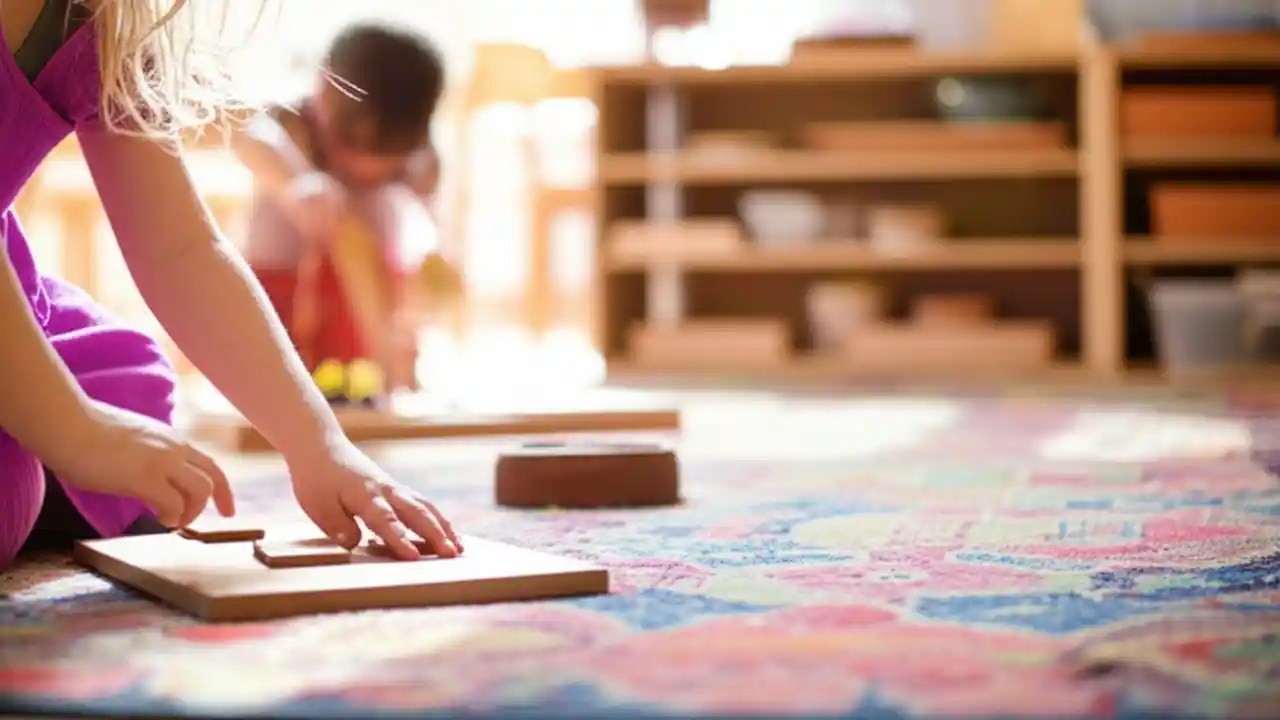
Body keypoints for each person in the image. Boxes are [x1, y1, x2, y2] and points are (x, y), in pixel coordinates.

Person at [0, 0, 461, 570]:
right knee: (17, 490)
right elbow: (256, 138)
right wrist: (77, 435)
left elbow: (181, 249)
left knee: (136, 397)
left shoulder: (108, 21)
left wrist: (317, 444)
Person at [234, 23, 461, 400]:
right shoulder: (291, 124)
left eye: (384, 160)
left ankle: (382, 379)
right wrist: (297, 185)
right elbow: (250, 135)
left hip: (366, 297)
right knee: (270, 340)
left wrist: (438, 260)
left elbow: (432, 211)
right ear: (323, 93)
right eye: (351, 148)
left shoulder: (418, 157)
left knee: (386, 300)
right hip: (283, 276)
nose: (360, 168)